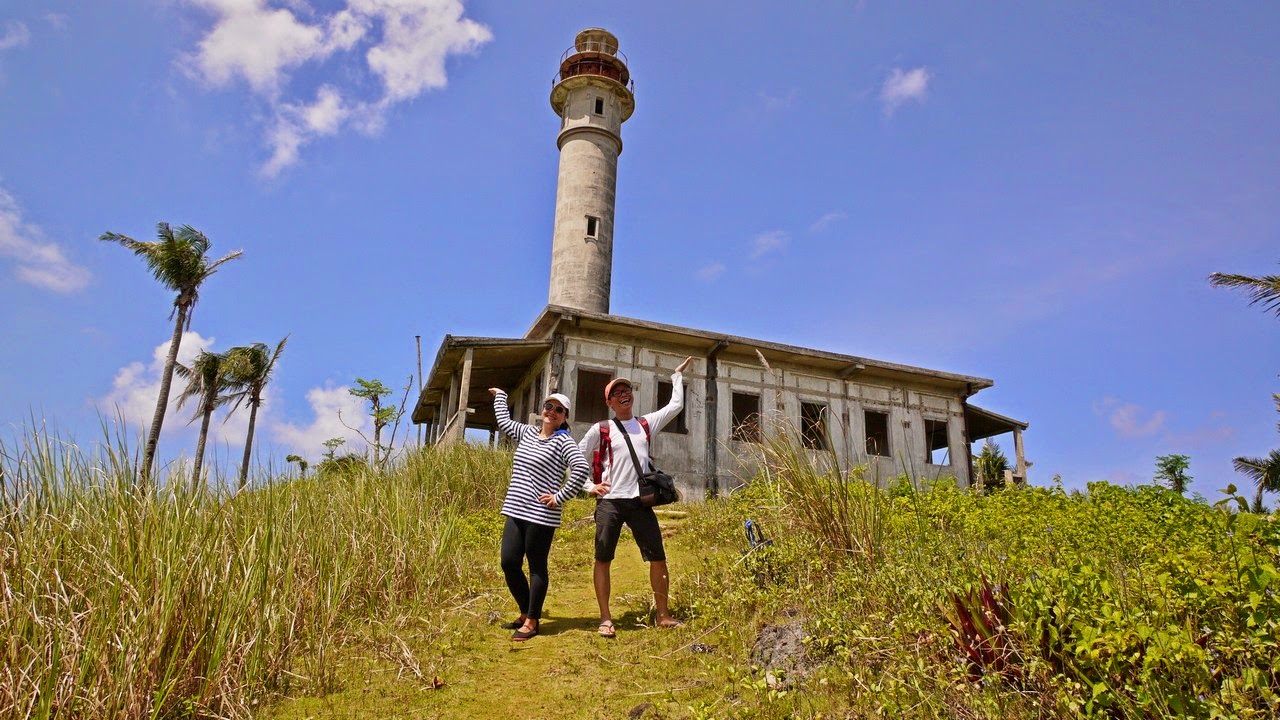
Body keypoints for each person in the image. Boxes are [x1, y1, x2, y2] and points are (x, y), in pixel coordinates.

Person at [578, 356, 693, 638]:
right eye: (616, 393)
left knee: (658, 557)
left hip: (640, 503)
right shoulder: (601, 428)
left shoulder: (644, 424)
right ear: (610, 402)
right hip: (610, 502)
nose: (623, 395)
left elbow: (675, 406)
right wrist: (588, 486)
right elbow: (576, 455)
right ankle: (605, 618)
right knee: (603, 558)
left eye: (626, 390)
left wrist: (676, 377)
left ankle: (663, 615)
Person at [490, 387, 606, 641]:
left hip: (541, 514)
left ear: (565, 417)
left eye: (558, 410)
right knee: (509, 563)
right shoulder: (528, 432)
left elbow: (579, 468)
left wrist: (559, 497)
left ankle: (532, 621)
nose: (551, 412)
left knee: (536, 566)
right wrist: (501, 396)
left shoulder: (563, 441)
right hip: (515, 509)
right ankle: (524, 610)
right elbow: (504, 423)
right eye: (548, 407)